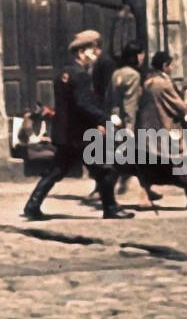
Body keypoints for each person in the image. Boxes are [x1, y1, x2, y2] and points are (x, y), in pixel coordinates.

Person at [22, 30, 135, 221]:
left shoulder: (63, 74)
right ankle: (111, 208)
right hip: (80, 135)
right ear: (81, 52)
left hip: (66, 134)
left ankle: (32, 205)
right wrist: (106, 118)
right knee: (106, 169)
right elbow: (83, 104)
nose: (97, 54)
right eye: (93, 50)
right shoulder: (80, 75)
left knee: (57, 170)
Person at [136, 52, 187, 210]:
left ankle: (144, 197)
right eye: (170, 65)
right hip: (164, 130)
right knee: (177, 163)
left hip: (149, 129)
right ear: (164, 65)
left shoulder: (148, 82)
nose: (172, 68)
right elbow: (178, 105)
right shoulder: (163, 84)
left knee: (149, 165)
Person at [108, 41, 151, 198]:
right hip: (130, 122)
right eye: (140, 55)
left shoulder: (116, 73)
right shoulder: (134, 75)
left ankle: (146, 189)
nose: (142, 58)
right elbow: (130, 103)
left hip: (116, 119)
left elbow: (113, 98)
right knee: (132, 157)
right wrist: (130, 127)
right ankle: (143, 191)